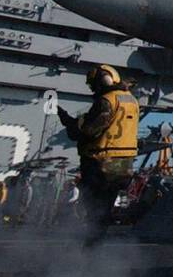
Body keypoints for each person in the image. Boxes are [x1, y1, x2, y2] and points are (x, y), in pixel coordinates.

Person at [57, 64, 139, 245]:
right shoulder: (132, 100)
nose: (93, 88)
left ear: (103, 80)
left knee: (93, 207)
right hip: (124, 164)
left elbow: (89, 131)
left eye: (94, 84)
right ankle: (97, 245)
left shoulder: (107, 100)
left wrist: (70, 123)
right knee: (106, 206)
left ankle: (91, 249)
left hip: (100, 162)